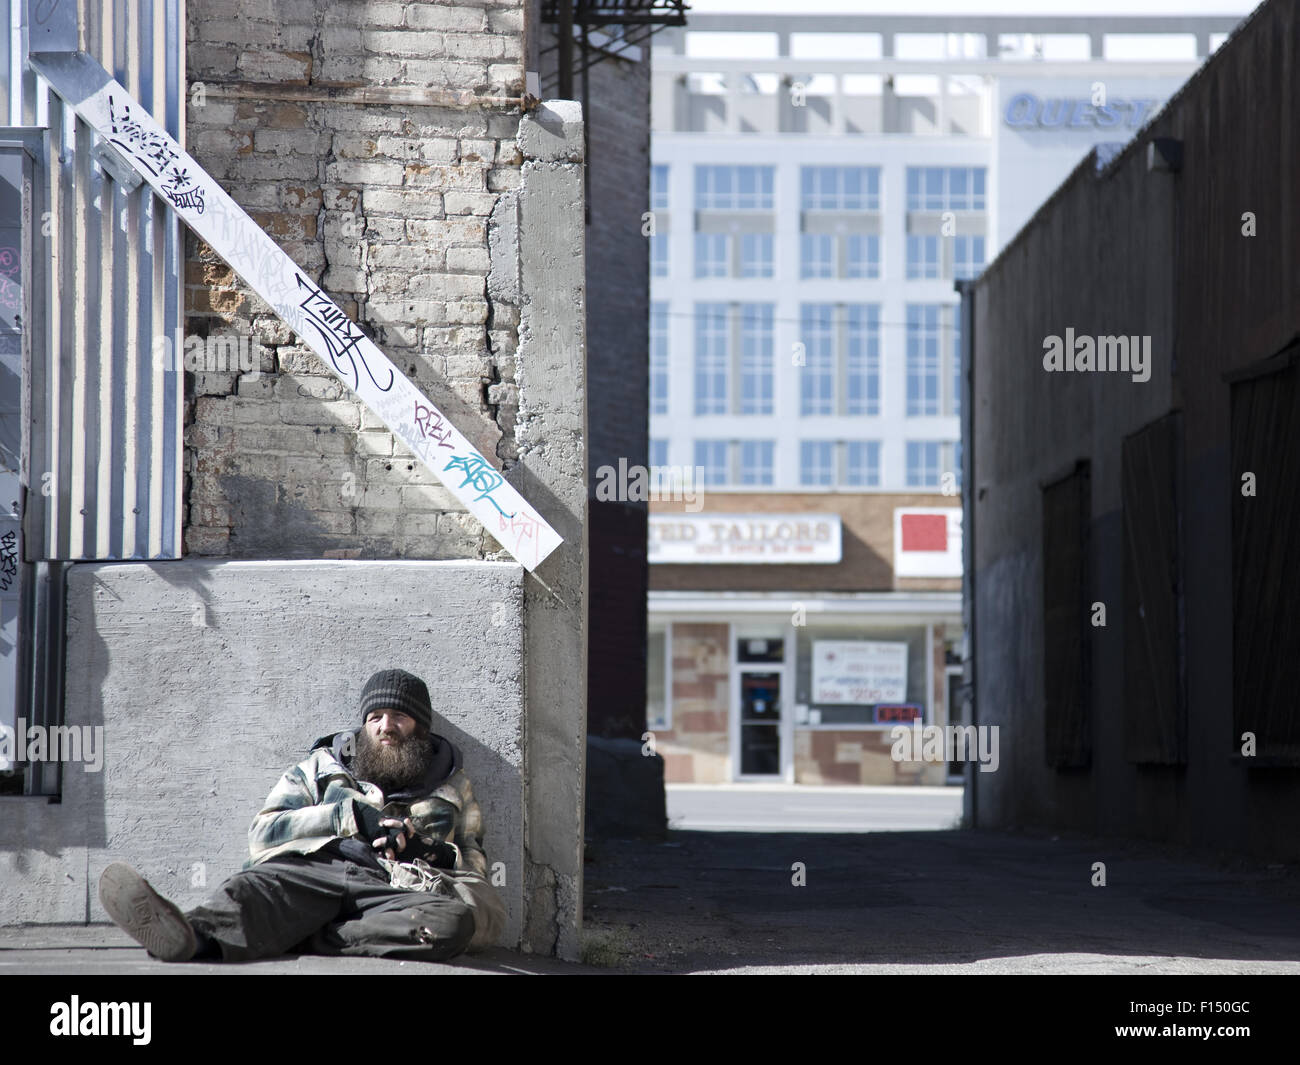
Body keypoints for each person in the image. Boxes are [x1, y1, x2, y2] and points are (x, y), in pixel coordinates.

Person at [99, 668, 506, 963]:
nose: (386, 727)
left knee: (451, 923)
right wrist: (347, 818)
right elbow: (263, 833)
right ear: (362, 726)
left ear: (420, 728)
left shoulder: (454, 787)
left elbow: (475, 867)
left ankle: (311, 933)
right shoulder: (320, 767)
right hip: (317, 871)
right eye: (375, 717)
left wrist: (428, 851)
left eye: (399, 716)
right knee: (254, 889)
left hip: (394, 892)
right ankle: (190, 935)